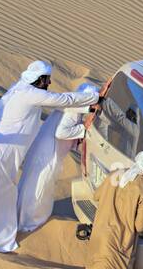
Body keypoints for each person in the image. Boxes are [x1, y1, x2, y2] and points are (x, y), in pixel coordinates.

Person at [0, 61, 99, 253]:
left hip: (1, 150)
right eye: (47, 80)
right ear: (39, 79)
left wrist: (87, 107)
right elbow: (63, 100)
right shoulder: (29, 93)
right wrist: (95, 98)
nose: (49, 84)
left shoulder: (21, 88)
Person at [16, 81, 99, 233]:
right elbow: (62, 133)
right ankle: (30, 224)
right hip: (49, 154)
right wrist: (84, 128)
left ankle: (24, 219)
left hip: (44, 151)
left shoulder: (71, 106)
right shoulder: (73, 111)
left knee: (32, 185)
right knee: (40, 188)